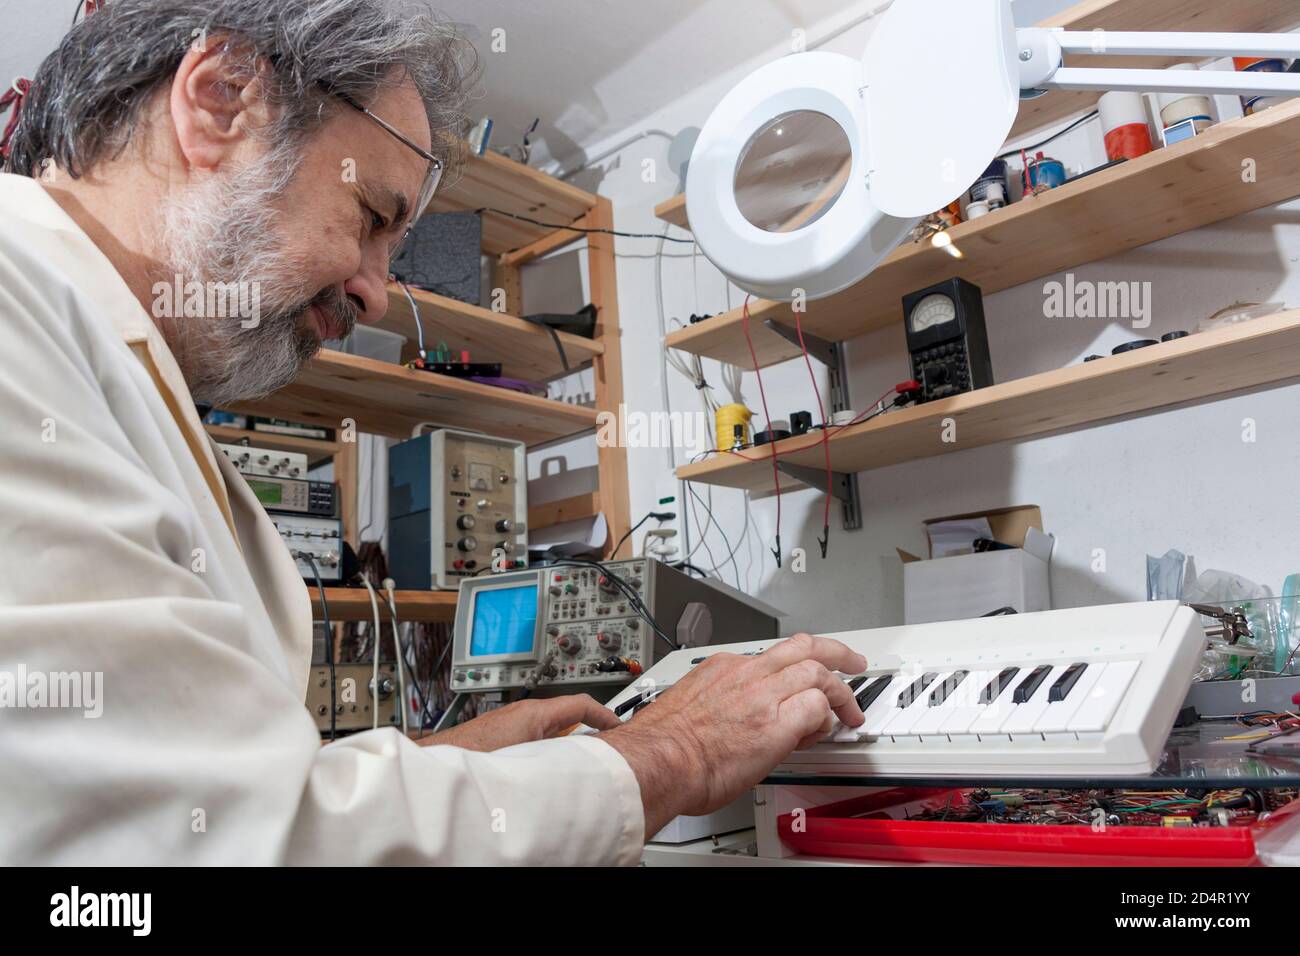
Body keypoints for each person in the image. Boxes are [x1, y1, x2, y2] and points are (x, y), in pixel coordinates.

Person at [0, 0, 866, 865]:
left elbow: (214, 793)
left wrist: (456, 761)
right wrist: (674, 753)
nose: (378, 292)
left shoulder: (110, 368)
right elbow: (210, 843)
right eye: (375, 217)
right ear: (222, 99)